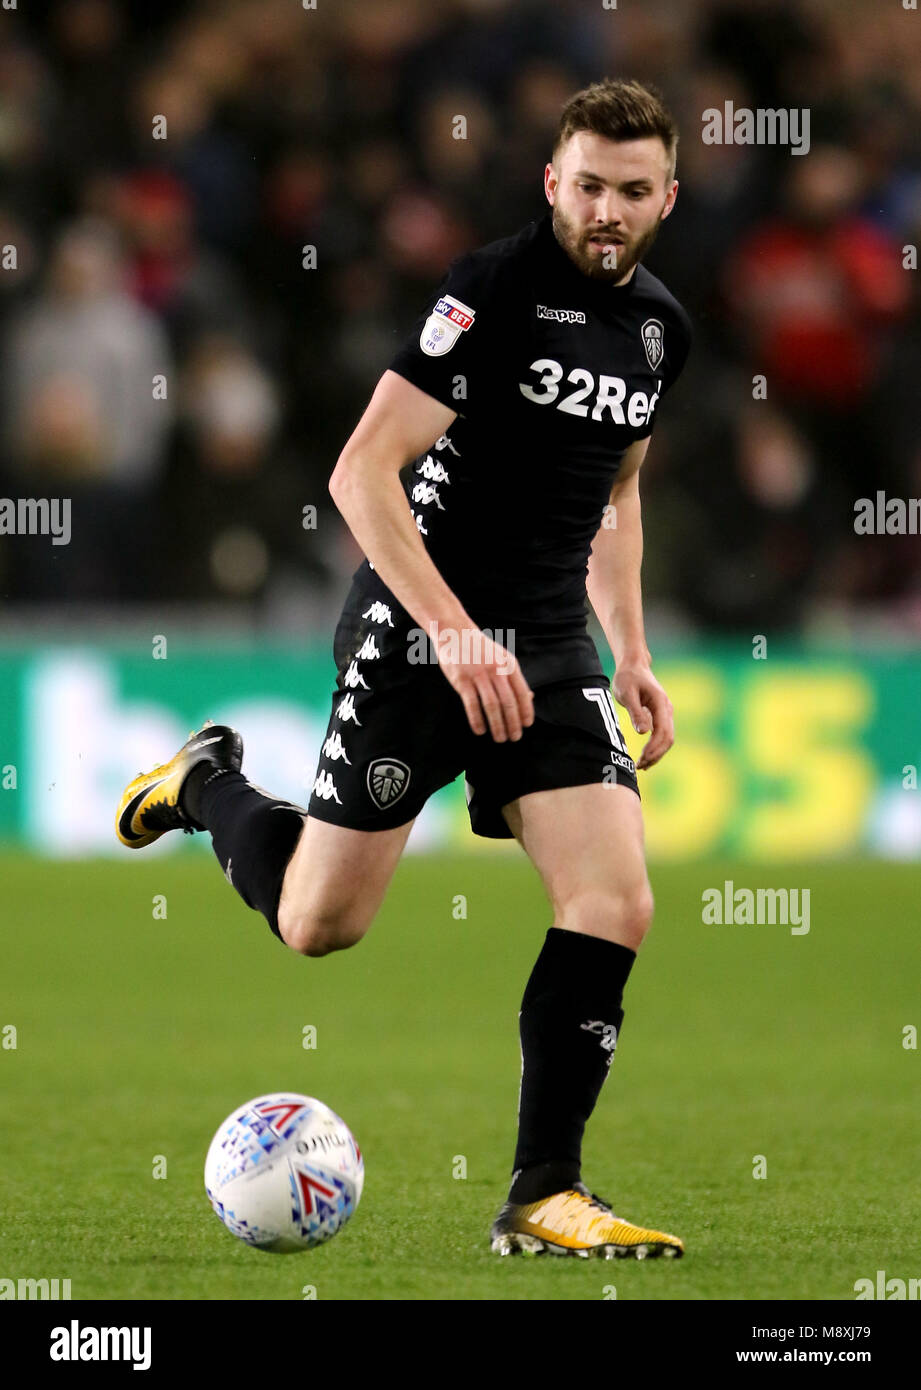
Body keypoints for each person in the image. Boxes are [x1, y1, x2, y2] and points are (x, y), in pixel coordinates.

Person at [117, 78, 692, 1260]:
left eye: (632, 192)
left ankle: (544, 1190)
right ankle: (209, 781)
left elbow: (618, 493)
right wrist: (447, 628)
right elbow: (361, 472)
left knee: (614, 899)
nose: (605, 210)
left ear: (666, 199)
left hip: (545, 647)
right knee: (319, 924)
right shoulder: (489, 292)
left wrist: (629, 649)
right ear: (552, 182)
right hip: (416, 632)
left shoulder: (660, 332)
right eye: (587, 185)